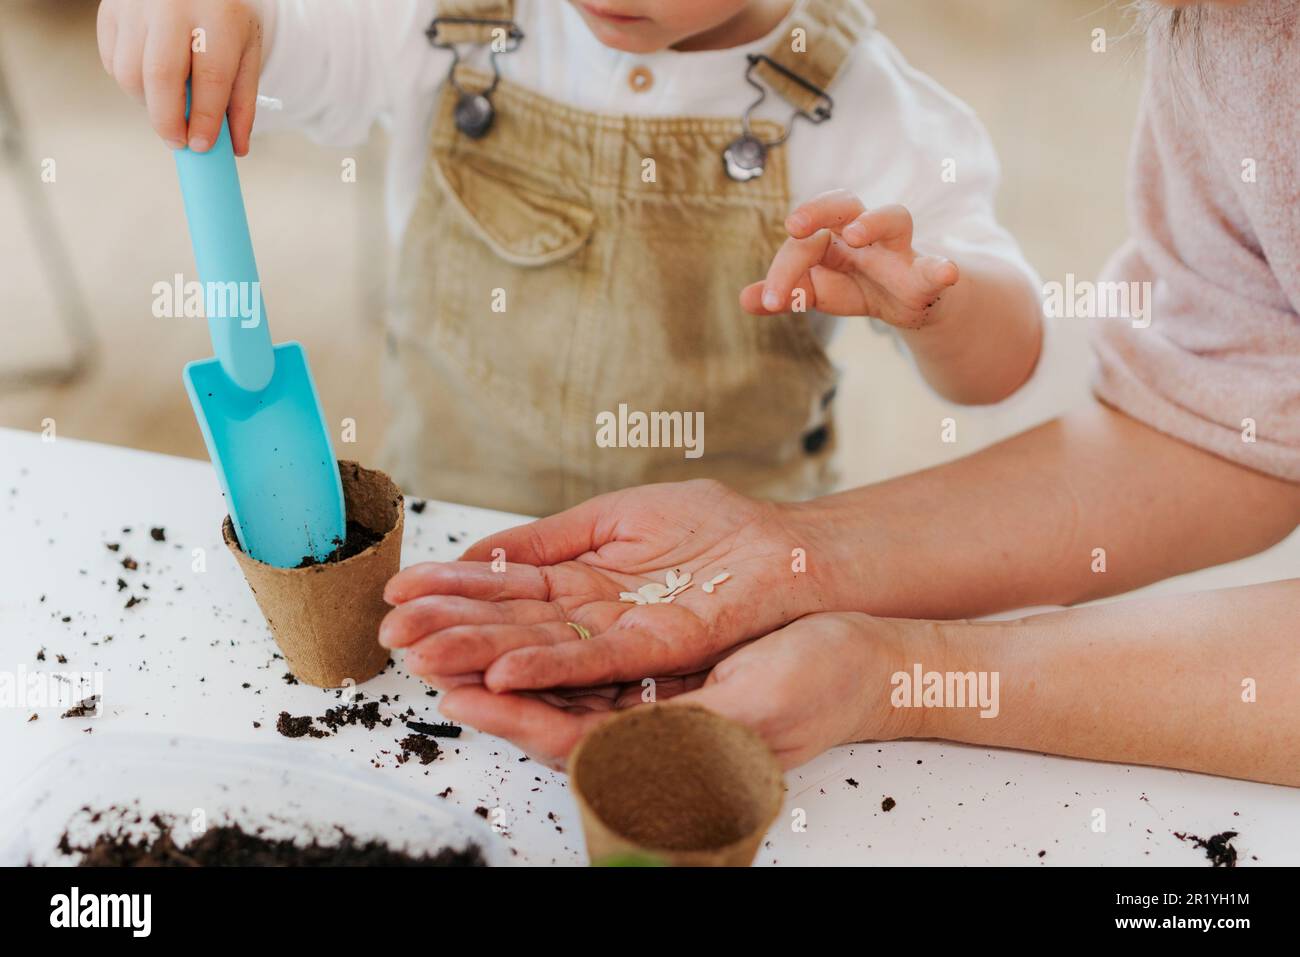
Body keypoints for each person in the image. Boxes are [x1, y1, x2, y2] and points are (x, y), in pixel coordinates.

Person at [379, 0, 1300, 786]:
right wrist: (810, 568)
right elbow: (1226, 413)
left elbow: (999, 353)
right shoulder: (1227, 31)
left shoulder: (859, 103)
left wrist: (908, 674)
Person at [97, 0, 1042, 516]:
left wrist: (940, 309)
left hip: (724, 579)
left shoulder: (861, 104)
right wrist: (213, 17)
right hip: (457, 534)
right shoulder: (441, 18)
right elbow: (280, 36)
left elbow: (1002, 361)